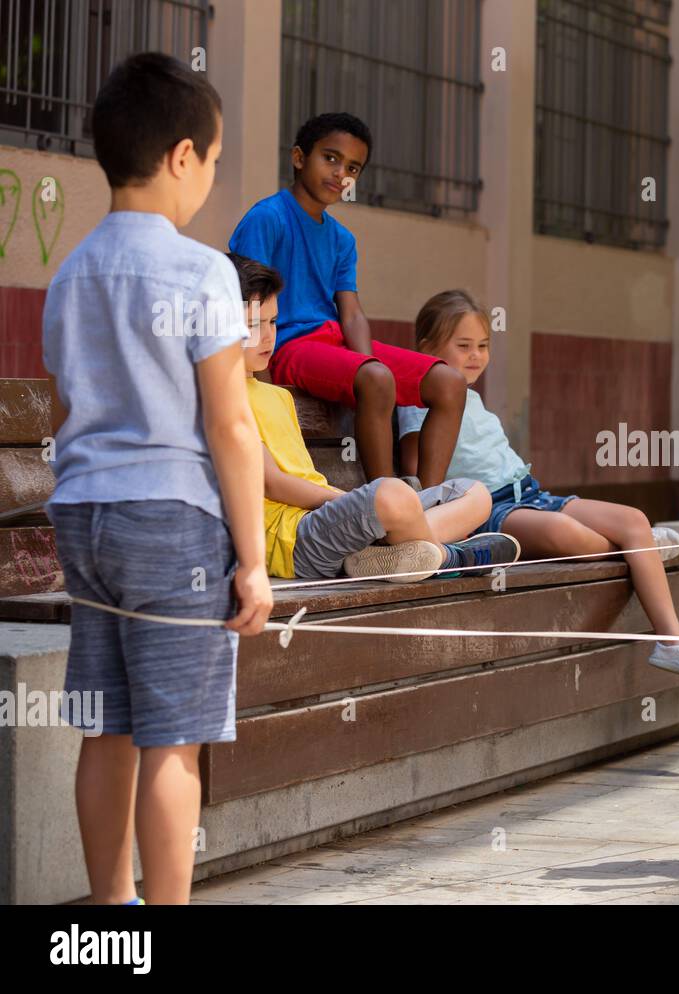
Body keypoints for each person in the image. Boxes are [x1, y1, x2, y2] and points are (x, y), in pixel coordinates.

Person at [42, 53, 272, 904]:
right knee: (175, 738)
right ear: (182, 156)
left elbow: (76, 402)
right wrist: (251, 561)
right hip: (172, 524)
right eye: (212, 162)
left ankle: (111, 918)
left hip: (84, 518)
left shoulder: (69, 274)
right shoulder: (200, 270)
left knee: (106, 728)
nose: (211, 178)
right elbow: (230, 424)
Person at [396, 289, 679, 681]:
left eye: (483, 345)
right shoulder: (417, 402)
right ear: (427, 348)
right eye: (463, 346)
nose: (476, 356)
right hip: (492, 512)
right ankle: (643, 551)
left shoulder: (471, 397)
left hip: (530, 493)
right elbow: (421, 476)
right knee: (569, 535)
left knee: (633, 518)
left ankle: (673, 643)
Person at [228, 255, 520, 581]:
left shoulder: (277, 395)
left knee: (475, 494)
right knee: (391, 495)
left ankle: (394, 553)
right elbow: (272, 483)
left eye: (273, 322)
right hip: (293, 539)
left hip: (329, 522)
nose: (268, 336)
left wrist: (362, 508)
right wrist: (353, 502)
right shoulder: (221, 399)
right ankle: (450, 556)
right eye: (254, 325)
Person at [229, 112, 466, 484]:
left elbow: (351, 314)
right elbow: (246, 299)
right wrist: (261, 382)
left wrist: (361, 363)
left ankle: (427, 502)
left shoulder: (342, 239)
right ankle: (385, 508)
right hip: (289, 346)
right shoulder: (268, 218)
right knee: (375, 378)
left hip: (333, 344)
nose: (342, 173)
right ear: (298, 158)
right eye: (331, 158)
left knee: (449, 382)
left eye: (353, 167)